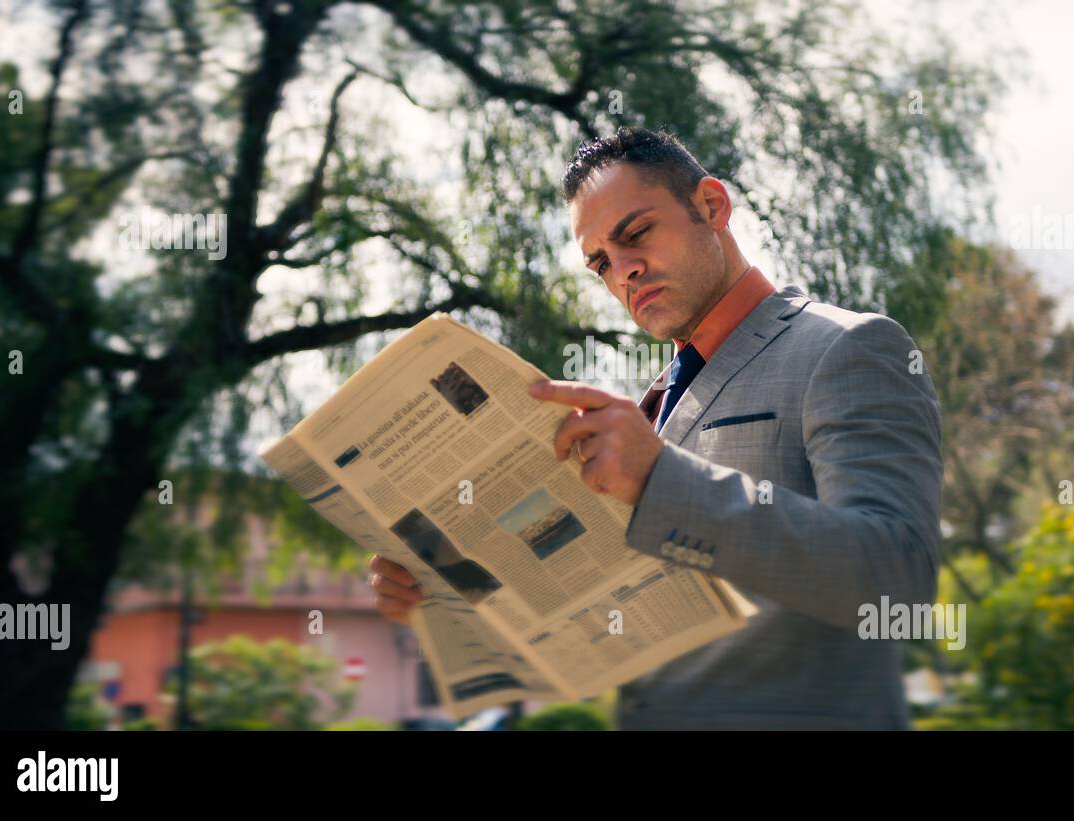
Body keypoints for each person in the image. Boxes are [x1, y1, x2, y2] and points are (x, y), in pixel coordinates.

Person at [370, 126, 943, 729]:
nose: (624, 272)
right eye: (601, 264)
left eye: (636, 234)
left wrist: (662, 479)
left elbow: (896, 580)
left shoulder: (849, 348)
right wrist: (447, 594)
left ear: (712, 207)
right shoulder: (656, 402)